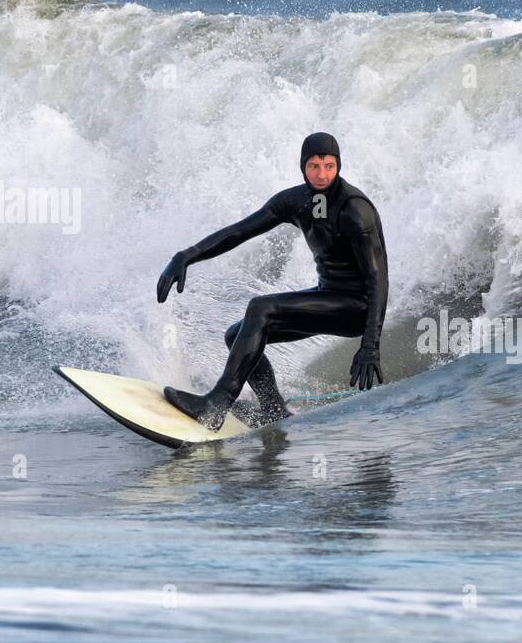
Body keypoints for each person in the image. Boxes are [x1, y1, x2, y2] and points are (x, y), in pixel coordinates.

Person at [155, 132, 388, 430]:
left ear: (338, 166)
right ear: (303, 166)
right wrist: (186, 255)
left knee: (261, 307)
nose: (321, 174)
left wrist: (370, 346)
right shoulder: (297, 201)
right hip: (329, 295)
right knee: (237, 335)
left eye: (329, 166)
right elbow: (240, 231)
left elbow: (378, 279)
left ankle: (215, 404)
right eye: (314, 166)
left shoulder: (355, 210)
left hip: (358, 306)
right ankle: (272, 408)